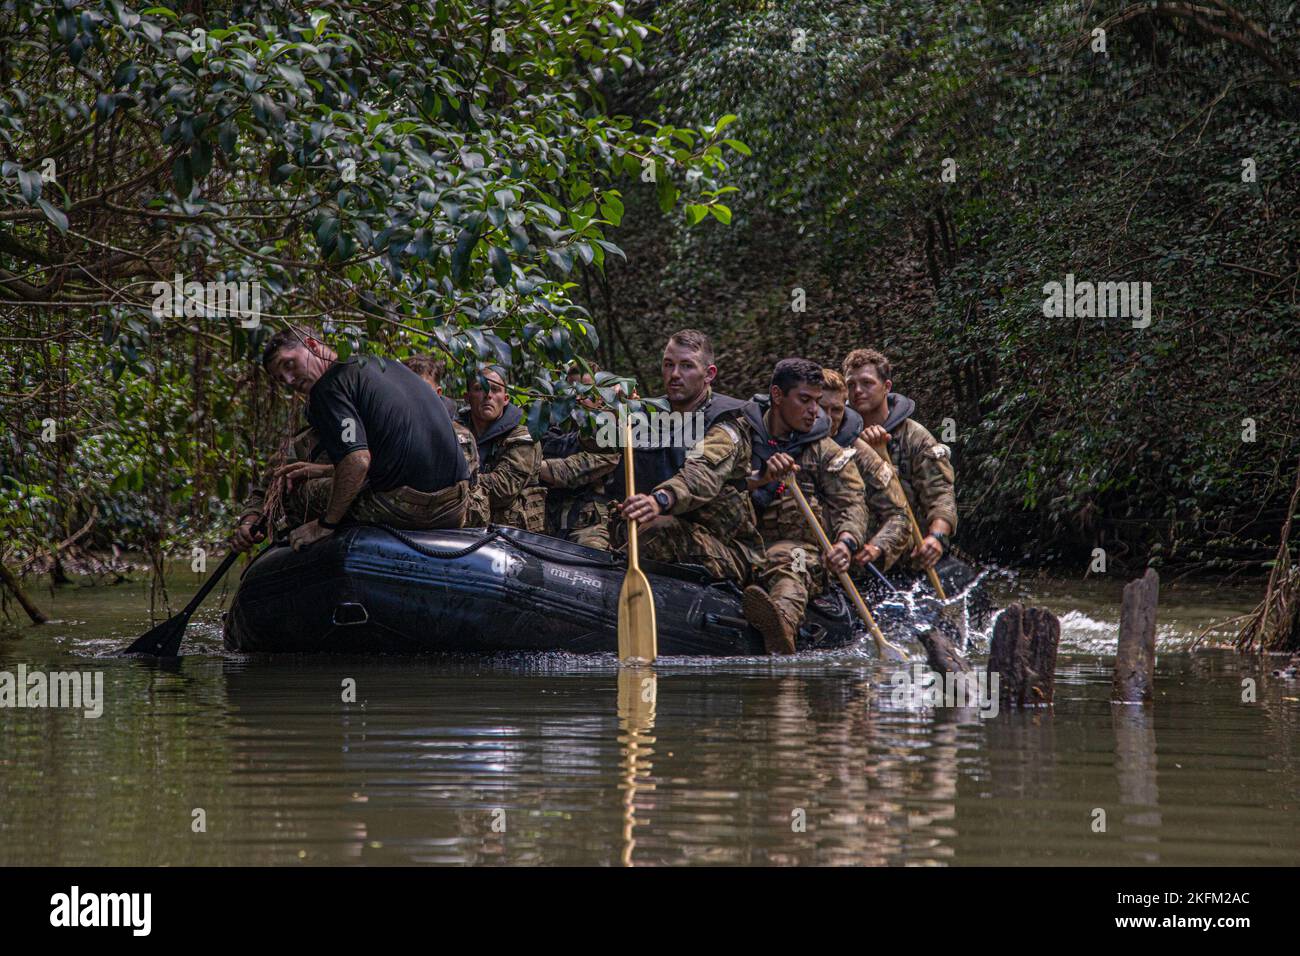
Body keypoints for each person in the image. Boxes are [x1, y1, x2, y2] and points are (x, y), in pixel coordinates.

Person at [253, 327, 471, 551]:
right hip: (456, 504)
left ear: (311, 344)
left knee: (300, 492)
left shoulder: (328, 388)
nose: (289, 380)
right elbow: (389, 450)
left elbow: (358, 461)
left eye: (289, 364)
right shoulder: (382, 365)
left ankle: (307, 554)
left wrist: (326, 524)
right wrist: (326, 470)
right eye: (280, 378)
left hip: (410, 507)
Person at [573, 329, 763, 585]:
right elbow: (596, 447)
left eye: (686, 366)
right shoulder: (647, 413)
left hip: (722, 547)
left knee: (658, 529)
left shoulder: (726, 422)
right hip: (638, 526)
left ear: (709, 374)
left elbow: (702, 472)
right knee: (589, 540)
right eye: (668, 365)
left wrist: (661, 499)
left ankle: (614, 589)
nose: (674, 375)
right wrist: (605, 408)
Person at [738, 359, 867, 654]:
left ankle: (781, 625)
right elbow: (712, 480)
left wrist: (846, 543)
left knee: (790, 562)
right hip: (739, 544)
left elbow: (852, 502)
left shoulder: (825, 450)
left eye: (817, 402)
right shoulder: (740, 435)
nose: (815, 411)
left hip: (797, 549)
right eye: (805, 401)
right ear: (777, 395)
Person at [842, 348, 957, 570]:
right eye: (850, 385)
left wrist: (937, 537)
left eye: (867, 383)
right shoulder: (839, 437)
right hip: (859, 555)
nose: (858, 391)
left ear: (886, 387)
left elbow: (940, 493)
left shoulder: (915, 437)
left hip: (913, 553)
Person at [819, 368, 911, 569]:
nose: (827, 418)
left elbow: (900, 516)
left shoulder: (861, 453)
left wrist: (877, 547)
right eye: (821, 408)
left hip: (850, 556)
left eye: (835, 410)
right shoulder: (786, 444)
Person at [459, 365, 545, 531]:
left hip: (513, 536)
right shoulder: (453, 431)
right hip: (463, 532)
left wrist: (456, 483)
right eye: (479, 389)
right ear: (467, 397)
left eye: (495, 389)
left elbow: (503, 488)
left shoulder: (524, 437)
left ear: (506, 398)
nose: (488, 395)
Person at [539, 364, 620, 540]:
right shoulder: (553, 427)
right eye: (572, 391)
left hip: (591, 526)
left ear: (602, 397)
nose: (577, 398)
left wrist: (530, 466)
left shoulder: (611, 433)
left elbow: (572, 470)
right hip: (546, 521)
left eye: (586, 391)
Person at [402, 354, 479, 475]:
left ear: (438, 393)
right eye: (408, 386)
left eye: (423, 388)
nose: (415, 394)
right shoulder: (387, 425)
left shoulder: (458, 437)